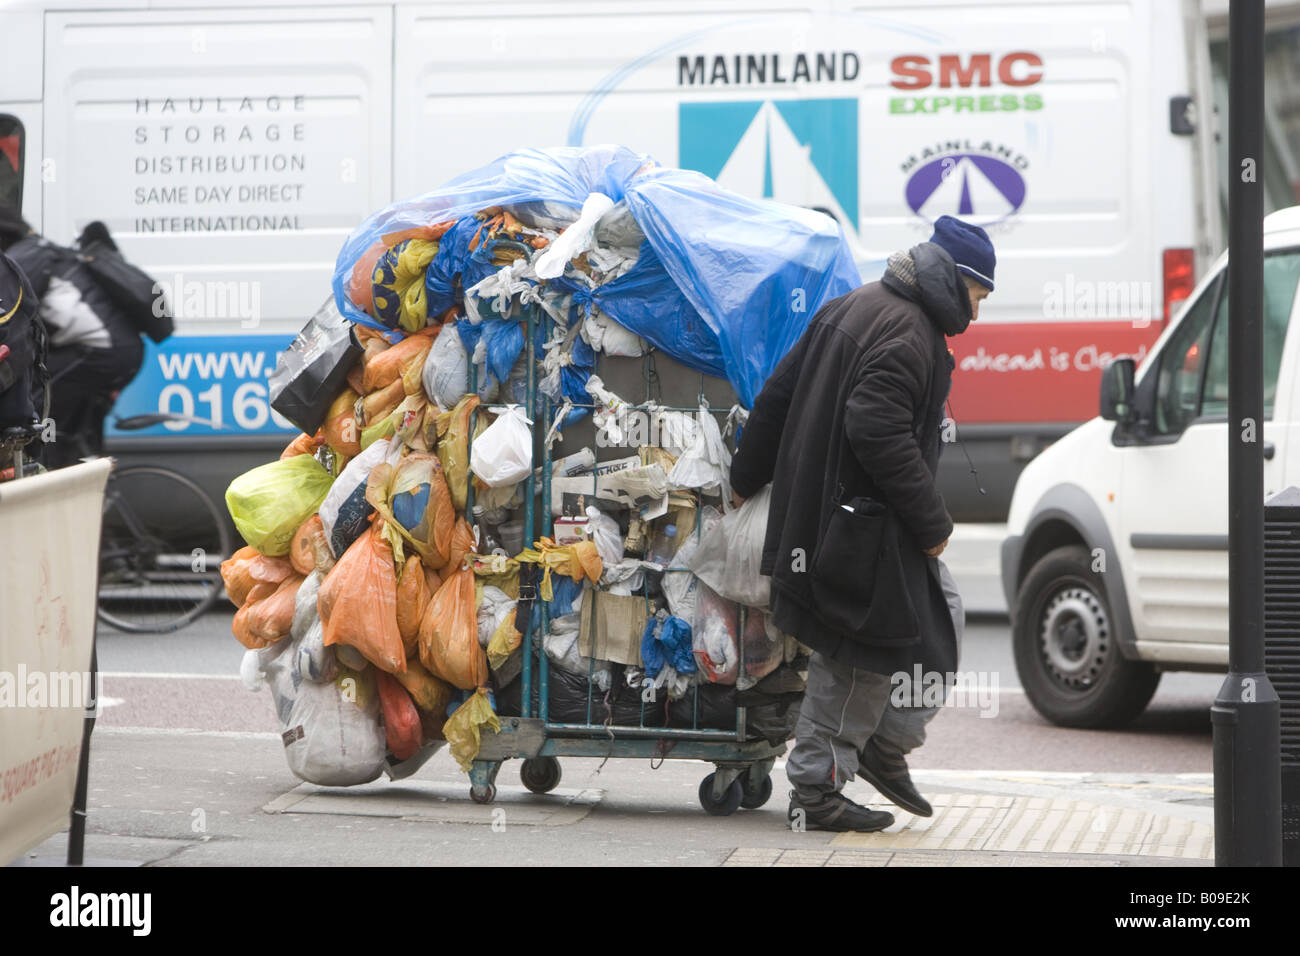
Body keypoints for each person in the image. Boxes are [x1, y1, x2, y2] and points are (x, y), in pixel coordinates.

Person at [729, 215, 994, 832]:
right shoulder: (908, 333)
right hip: (855, 530)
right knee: (860, 655)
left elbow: (777, 395)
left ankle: (882, 746)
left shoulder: (855, 306)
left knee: (936, 616)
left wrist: (746, 476)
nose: (977, 314)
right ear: (958, 281)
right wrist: (932, 521)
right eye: (979, 296)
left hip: (834, 521)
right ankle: (820, 788)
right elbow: (875, 428)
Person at [0, 208, 146, 468]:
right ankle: (91, 482)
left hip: (102, 351)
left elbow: (14, 323)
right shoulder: (41, 251)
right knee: (71, 429)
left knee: (40, 405)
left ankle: (53, 481)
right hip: (120, 349)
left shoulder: (21, 260)